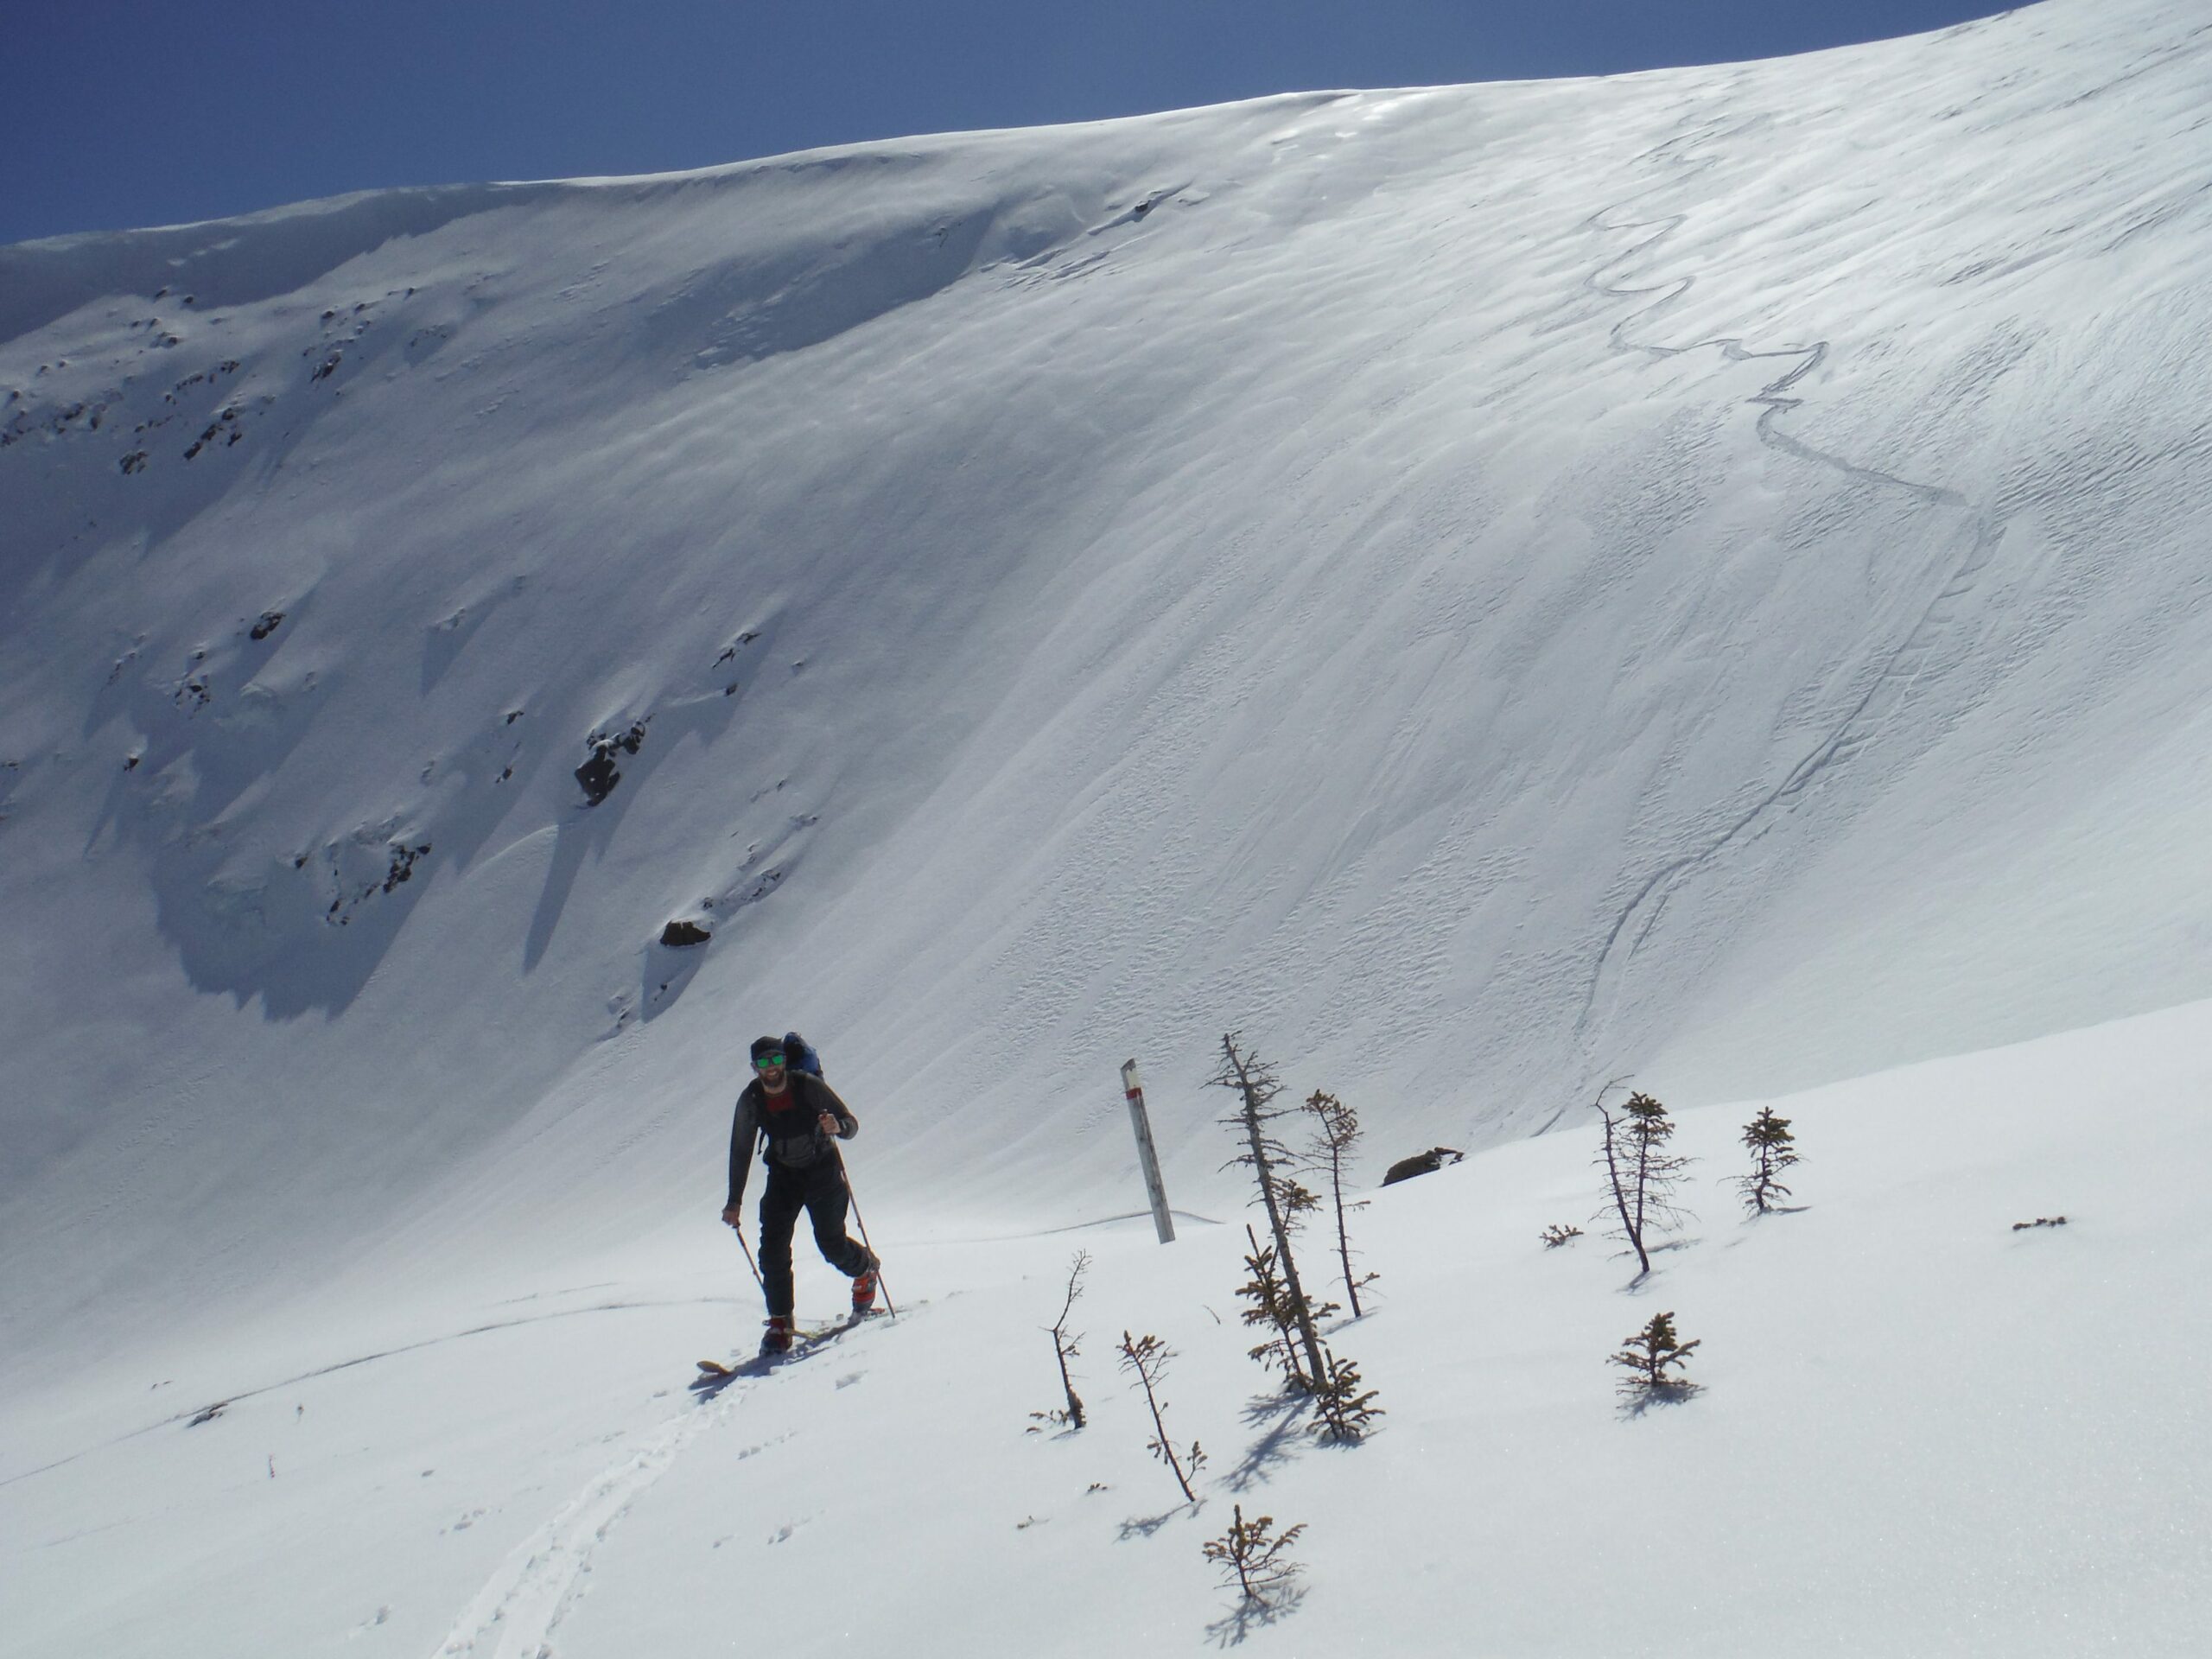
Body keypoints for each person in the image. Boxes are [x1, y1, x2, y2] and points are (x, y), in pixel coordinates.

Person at [721, 1033, 880, 1351]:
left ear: (784, 1061)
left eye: (777, 1060)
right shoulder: (751, 1099)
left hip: (822, 1171)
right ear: (754, 1067)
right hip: (783, 1177)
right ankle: (781, 1322)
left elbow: (850, 1122)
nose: (772, 1068)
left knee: (831, 1244)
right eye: (765, 1062)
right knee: (772, 1250)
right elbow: (741, 1148)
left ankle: (865, 1269)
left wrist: (839, 1127)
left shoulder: (807, 1085)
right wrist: (734, 1201)